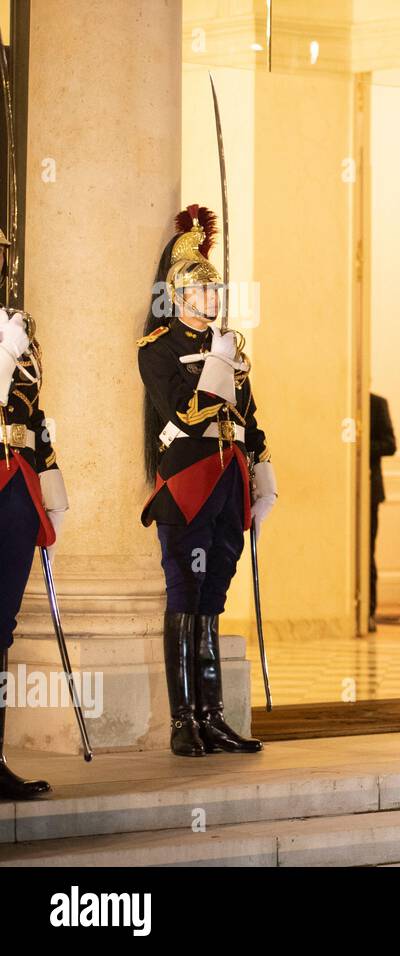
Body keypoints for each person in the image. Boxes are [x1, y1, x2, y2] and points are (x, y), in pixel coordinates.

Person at [138, 205, 277, 757]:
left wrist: (263, 476)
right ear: (178, 296)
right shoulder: (159, 349)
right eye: (203, 293)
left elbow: (249, 419)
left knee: (215, 595)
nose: (214, 300)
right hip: (188, 480)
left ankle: (214, 715)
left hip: (229, 480)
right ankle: (183, 720)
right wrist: (218, 365)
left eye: (217, 292)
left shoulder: (229, 348)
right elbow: (183, 413)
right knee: (185, 591)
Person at [0, 227, 67, 798]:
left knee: (2, 626)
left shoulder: (18, 326)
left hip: (15, 481)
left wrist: (51, 479)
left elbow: (33, 415)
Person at [368, 392, 397, 632]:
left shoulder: (377, 403)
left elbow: (390, 444)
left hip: (370, 489)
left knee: (368, 552)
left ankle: (369, 611)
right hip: (350, 491)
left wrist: (362, 444)